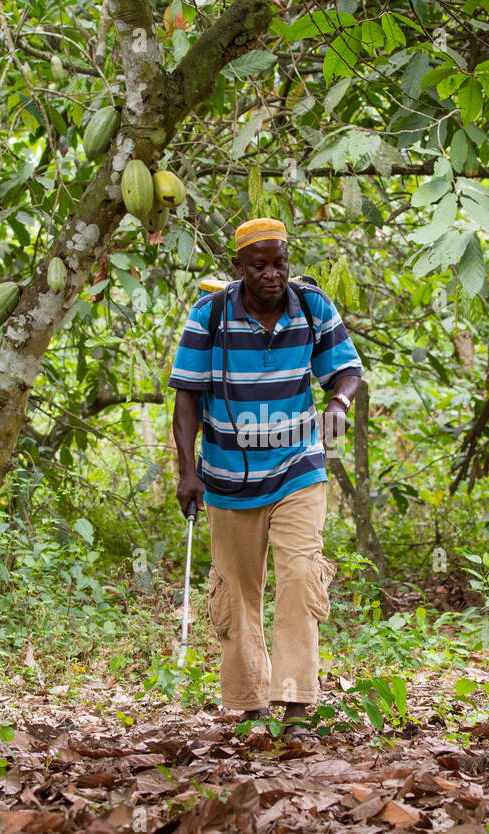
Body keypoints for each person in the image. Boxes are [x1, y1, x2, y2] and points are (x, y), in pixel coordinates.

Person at [169, 218, 363, 742]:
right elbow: (185, 398)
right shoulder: (208, 317)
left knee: (300, 577)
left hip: (298, 466)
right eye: (260, 266)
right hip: (227, 477)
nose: (273, 274)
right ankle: (253, 708)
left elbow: (346, 368)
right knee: (237, 592)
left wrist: (339, 401)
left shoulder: (313, 306)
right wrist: (188, 472)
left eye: (279, 262)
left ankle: (296, 707)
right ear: (239, 269)